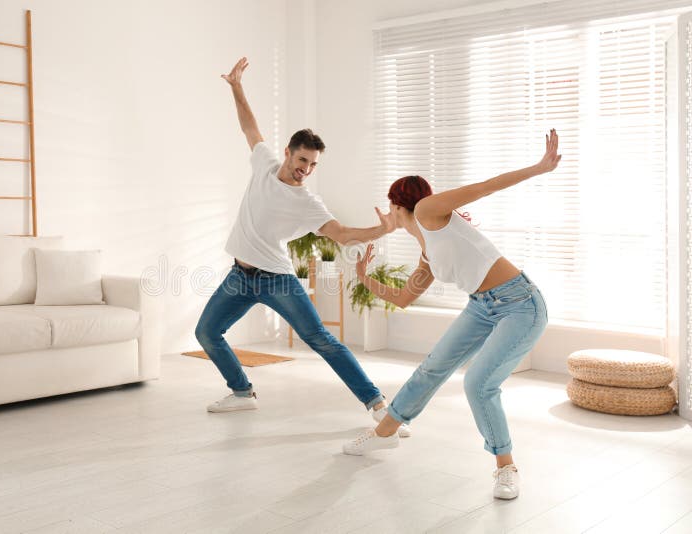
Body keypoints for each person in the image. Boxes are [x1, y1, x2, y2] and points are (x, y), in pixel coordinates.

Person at [196, 57, 410, 437]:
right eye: (302, 160)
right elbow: (249, 127)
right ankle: (242, 391)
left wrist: (383, 230)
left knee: (321, 340)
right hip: (239, 275)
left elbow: (341, 234)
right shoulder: (264, 163)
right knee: (207, 333)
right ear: (288, 152)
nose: (306, 169)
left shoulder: (307, 202)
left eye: (312, 164)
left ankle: (378, 405)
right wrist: (236, 87)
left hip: (276, 279)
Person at [341, 130, 561, 500]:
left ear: (398, 206)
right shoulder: (426, 250)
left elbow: (486, 185)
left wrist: (539, 168)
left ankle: (506, 468)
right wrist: (364, 278)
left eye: (389, 207)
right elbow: (404, 297)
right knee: (432, 368)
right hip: (482, 306)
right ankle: (384, 435)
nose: (386, 213)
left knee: (479, 383)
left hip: (520, 304)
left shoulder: (429, 212)